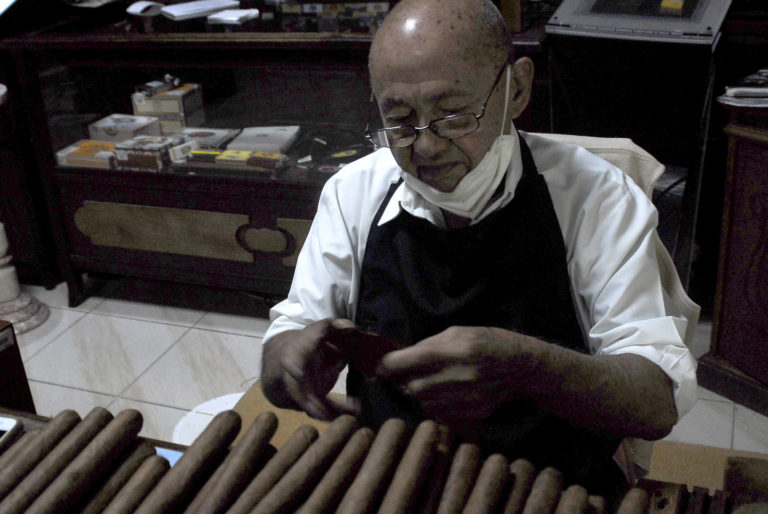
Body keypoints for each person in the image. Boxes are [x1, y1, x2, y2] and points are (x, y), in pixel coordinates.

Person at [260, 0, 698, 501]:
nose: (426, 147)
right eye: (400, 120)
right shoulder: (353, 192)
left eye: (453, 114)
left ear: (517, 89)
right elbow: (282, 356)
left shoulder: (596, 196)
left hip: (546, 486)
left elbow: (655, 402)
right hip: (394, 475)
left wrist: (527, 366)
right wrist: (287, 361)